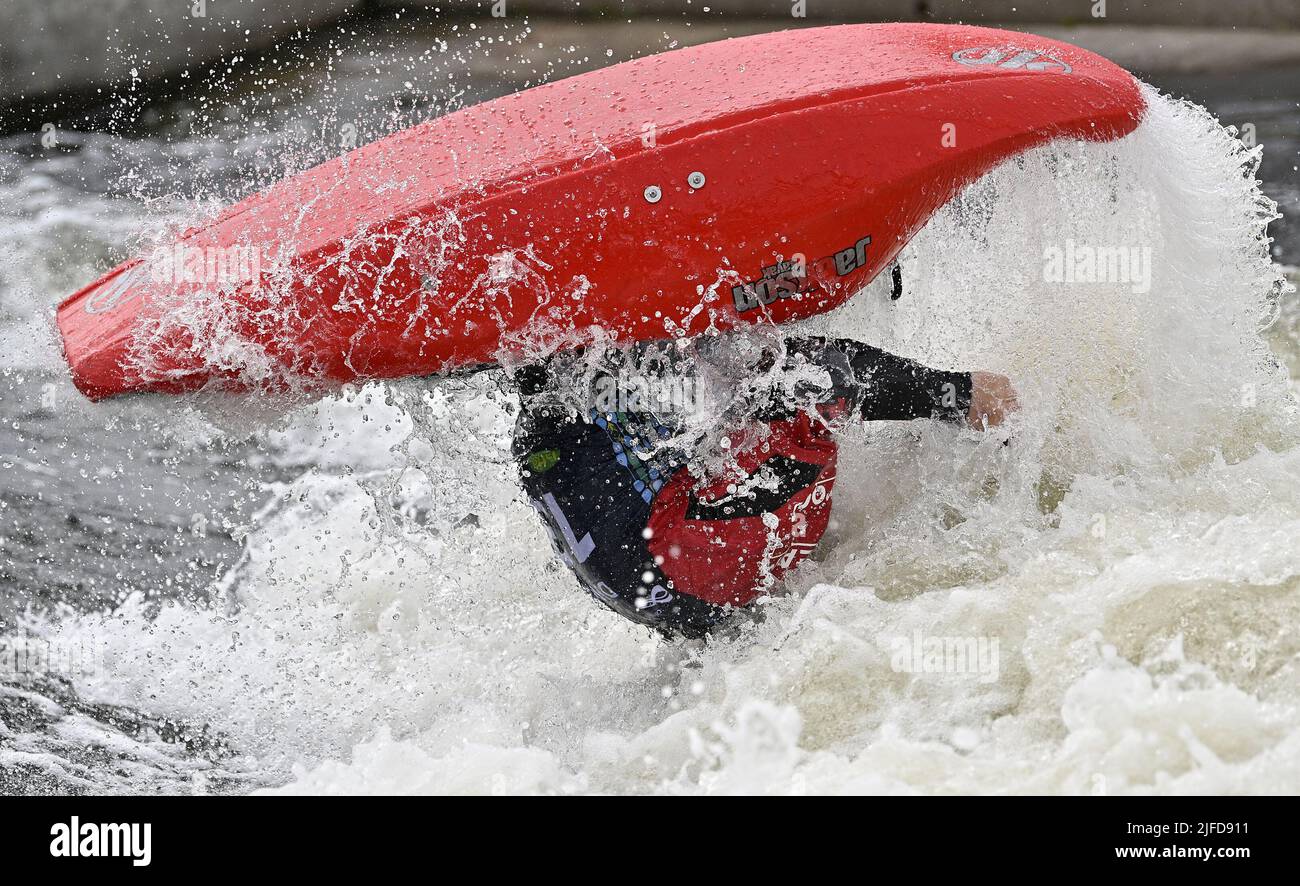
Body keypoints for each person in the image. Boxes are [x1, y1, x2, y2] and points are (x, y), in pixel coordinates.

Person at [512, 331, 1018, 638]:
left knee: (725, 380)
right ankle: (969, 399)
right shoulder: (607, 374)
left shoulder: (544, 388)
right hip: (681, 555)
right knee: (790, 374)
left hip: (651, 598)